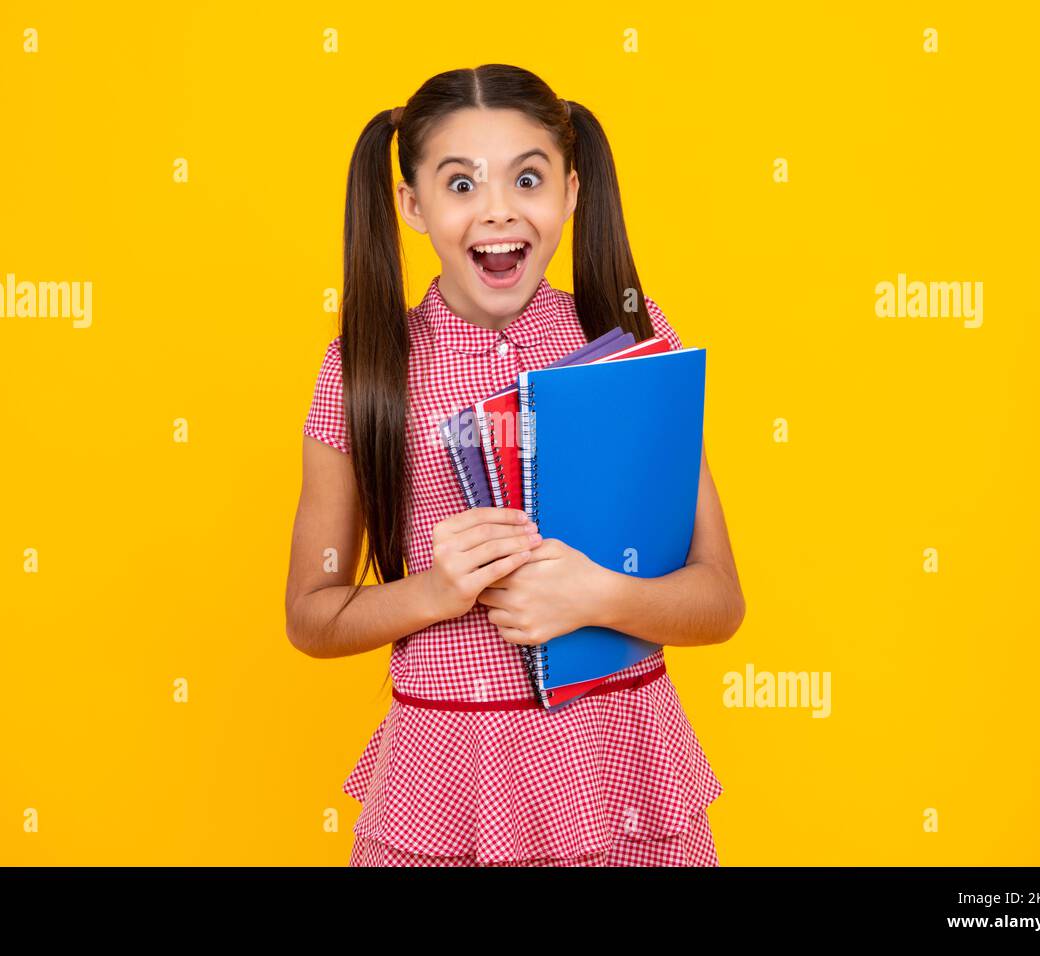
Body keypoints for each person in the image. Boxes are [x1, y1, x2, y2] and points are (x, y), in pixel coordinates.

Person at [285, 63, 745, 867]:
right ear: (412, 206)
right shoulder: (362, 373)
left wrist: (600, 595)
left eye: (527, 178)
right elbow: (310, 617)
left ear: (570, 191)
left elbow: (720, 600)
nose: (498, 208)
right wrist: (438, 591)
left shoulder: (633, 345)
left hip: (625, 773)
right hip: (450, 784)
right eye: (460, 185)